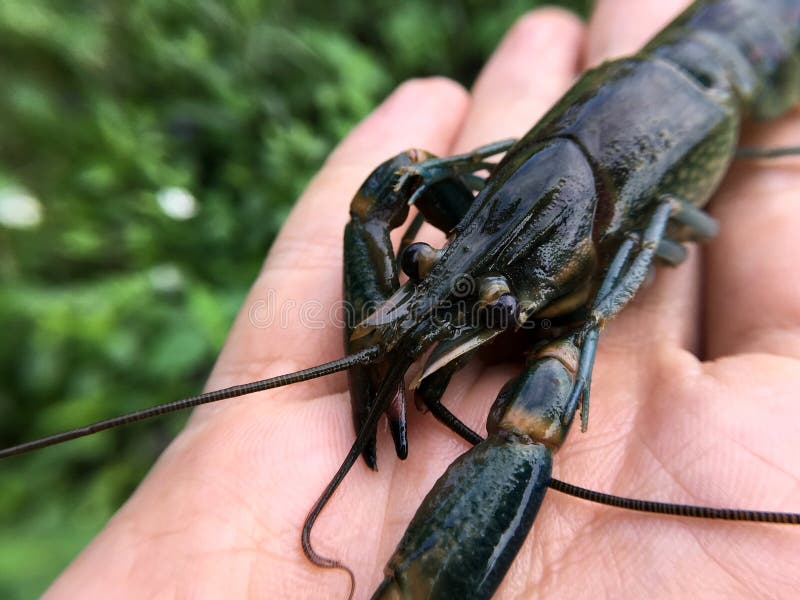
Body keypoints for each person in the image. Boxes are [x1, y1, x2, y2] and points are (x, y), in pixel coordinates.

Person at [45, 0, 800, 597]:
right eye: (424, 263)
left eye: (492, 308)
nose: (438, 281)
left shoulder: (622, 245)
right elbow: (397, 182)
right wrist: (406, 313)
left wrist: (581, 312)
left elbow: (531, 421)